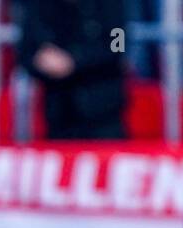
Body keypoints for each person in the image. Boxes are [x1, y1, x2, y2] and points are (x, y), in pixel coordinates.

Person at [19, 0, 128, 140]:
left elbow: (118, 47)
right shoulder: (40, 5)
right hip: (59, 109)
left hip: (104, 110)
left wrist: (74, 61)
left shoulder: (112, 4)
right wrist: (41, 62)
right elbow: (25, 52)